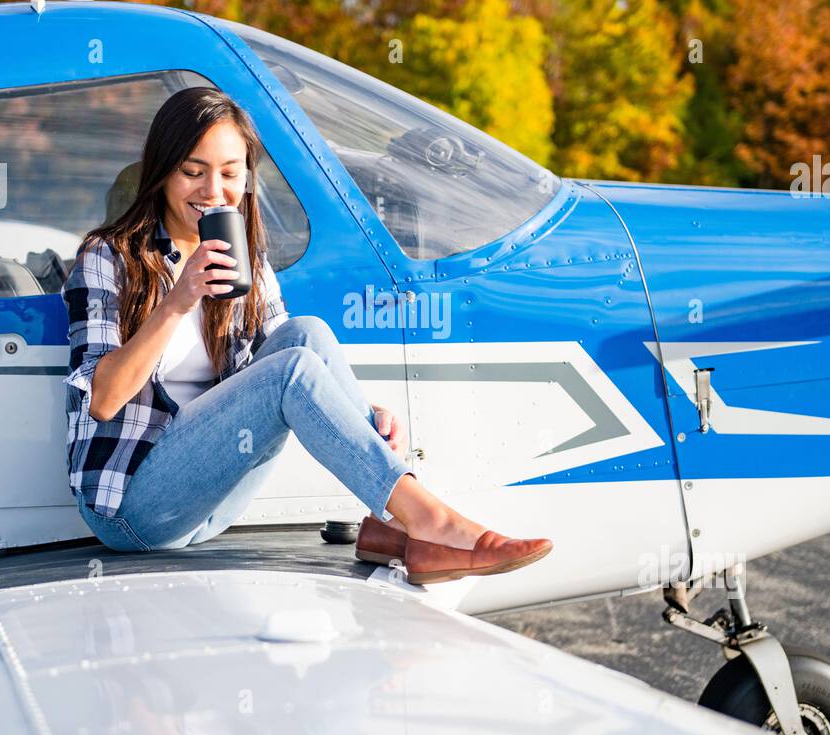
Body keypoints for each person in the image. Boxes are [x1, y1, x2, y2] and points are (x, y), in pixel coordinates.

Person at [61, 87, 553, 586]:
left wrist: (366, 413)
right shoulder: (109, 257)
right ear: (163, 171)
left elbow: (298, 360)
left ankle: (391, 522)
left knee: (308, 334)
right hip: (134, 508)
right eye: (193, 171)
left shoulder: (245, 259)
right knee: (290, 369)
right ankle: (432, 523)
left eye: (230, 173)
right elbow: (103, 400)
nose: (213, 191)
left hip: (211, 502)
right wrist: (177, 301)